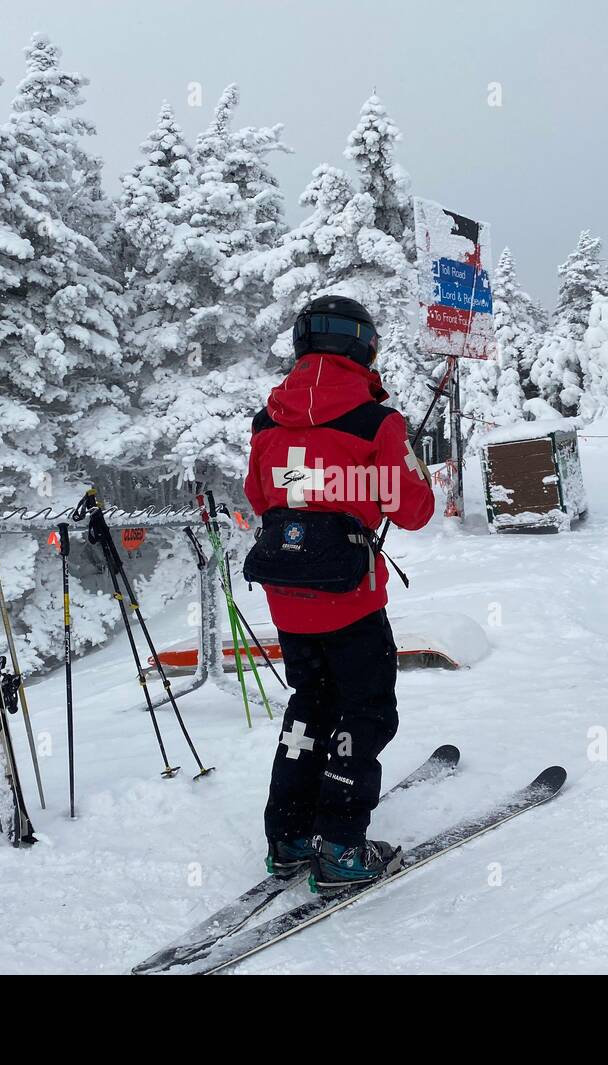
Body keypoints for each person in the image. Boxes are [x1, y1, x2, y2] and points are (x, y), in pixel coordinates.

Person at [243, 295, 435, 890]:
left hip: (287, 599)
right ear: (364, 346)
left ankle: (291, 836)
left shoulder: (269, 421)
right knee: (364, 711)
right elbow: (415, 511)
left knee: (309, 707)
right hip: (351, 601)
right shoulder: (377, 421)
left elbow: (263, 497)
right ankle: (344, 846)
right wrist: (405, 472)